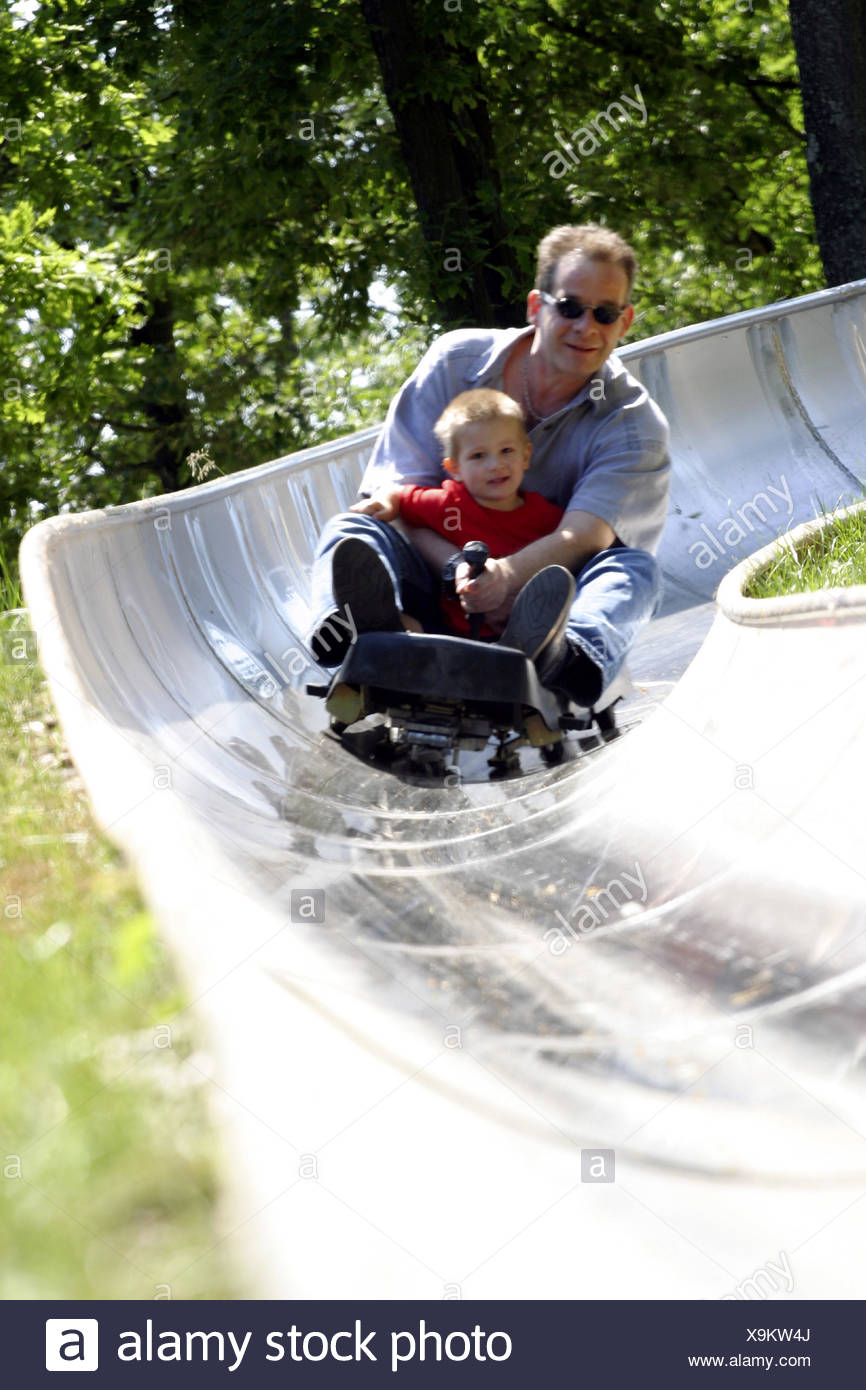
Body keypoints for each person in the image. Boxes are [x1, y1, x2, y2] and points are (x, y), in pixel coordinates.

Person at [306, 223, 671, 708]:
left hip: (544, 598)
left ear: (624, 323)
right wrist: (459, 571)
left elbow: (585, 537)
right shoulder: (455, 363)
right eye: (569, 308)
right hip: (434, 584)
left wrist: (506, 579)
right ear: (536, 307)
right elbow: (395, 500)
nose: (587, 327)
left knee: (634, 569)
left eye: (604, 313)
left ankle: (561, 657)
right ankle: (370, 639)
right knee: (353, 529)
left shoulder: (633, 424)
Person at [349, 387, 569, 640]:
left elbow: (571, 559)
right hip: (454, 634)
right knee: (411, 626)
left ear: (526, 455)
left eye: (506, 451)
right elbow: (400, 495)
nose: (495, 465)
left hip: (520, 632)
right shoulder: (448, 503)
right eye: (478, 456)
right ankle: (365, 626)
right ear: (455, 468)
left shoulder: (547, 518)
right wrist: (383, 502)